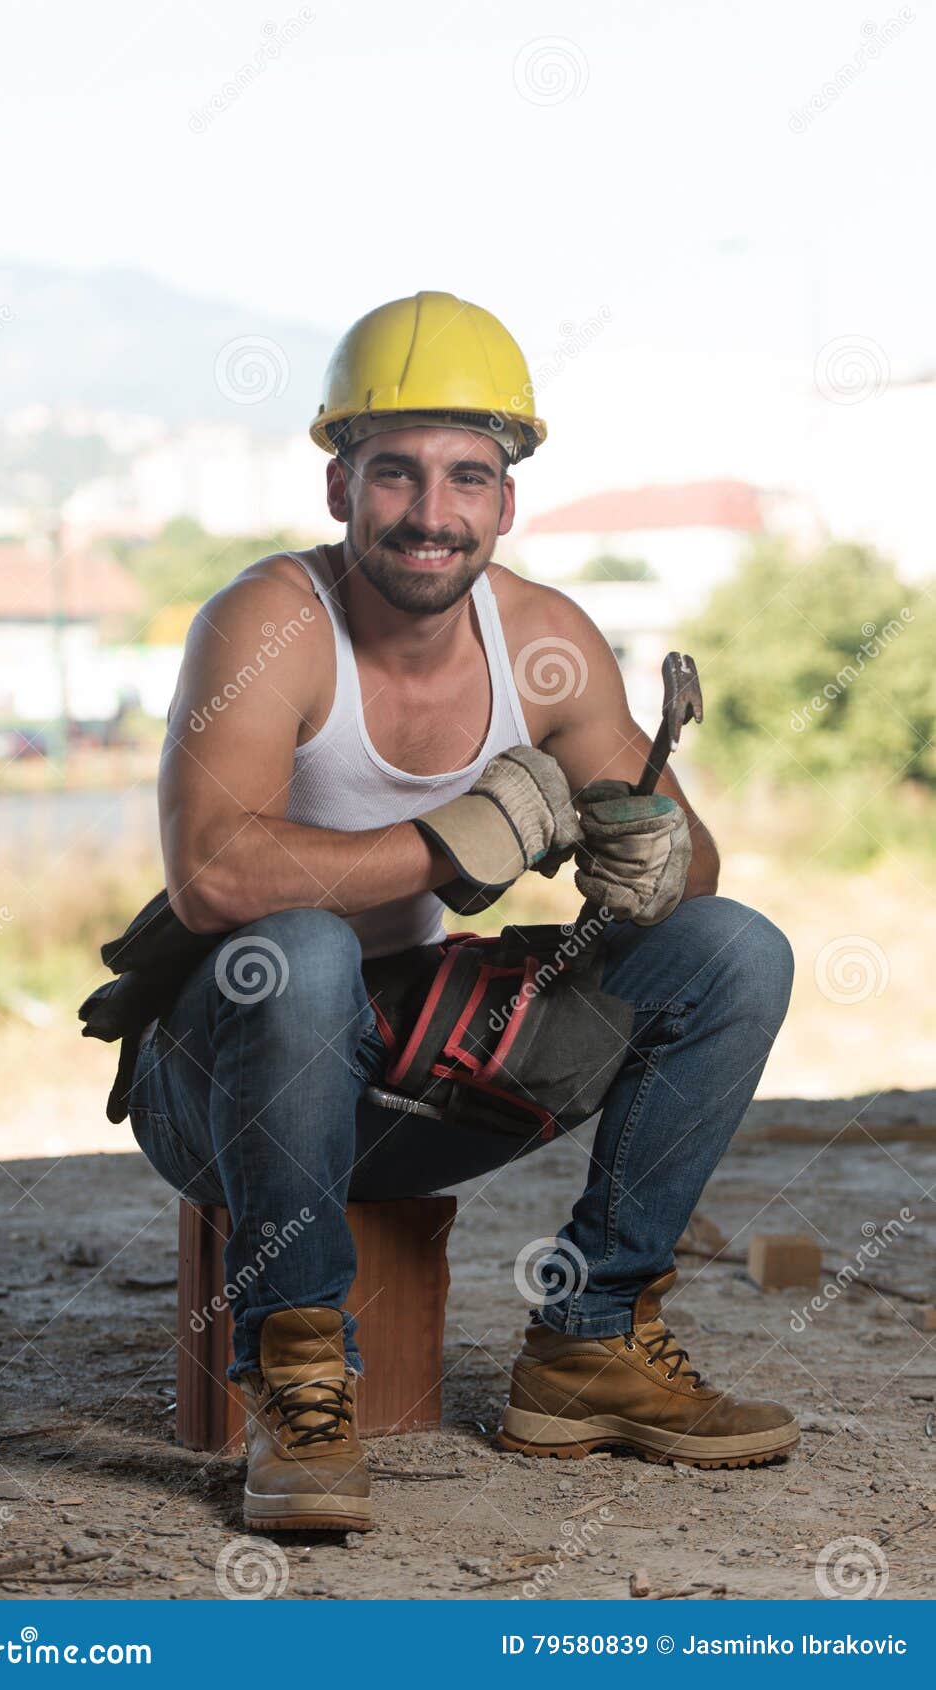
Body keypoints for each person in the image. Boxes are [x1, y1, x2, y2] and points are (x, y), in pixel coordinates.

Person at [128, 291, 798, 1533]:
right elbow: (211, 878)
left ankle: (591, 1337)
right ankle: (297, 1374)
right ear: (339, 489)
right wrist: (446, 842)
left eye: (468, 477)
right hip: (221, 1083)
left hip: (402, 1080)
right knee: (302, 951)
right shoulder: (270, 623)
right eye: (395, 473)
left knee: (733, 950)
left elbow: (691, 861)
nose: (432, 514)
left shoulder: (545, 639)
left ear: (506, 498)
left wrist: (662, 853)